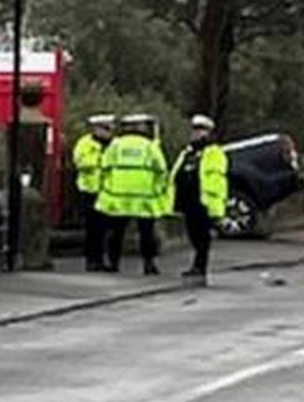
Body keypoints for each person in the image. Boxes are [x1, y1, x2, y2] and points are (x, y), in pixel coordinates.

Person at [97, 114, 168, 275]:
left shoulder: (116, 145)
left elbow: (105, 167)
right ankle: (149, 264)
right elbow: (161, 169)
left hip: (119, 197)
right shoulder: (150, 146)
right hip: (144, 198)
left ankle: (113, 264)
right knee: (146, 233)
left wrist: (108, 189)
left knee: (116, 233)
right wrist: (157, 190)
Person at [168, 115, 229, 281]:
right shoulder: (188, 152)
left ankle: (199, 267)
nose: (196, 134)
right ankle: (197, 266)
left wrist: (213, 203)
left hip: (203, 201)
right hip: (188, 201)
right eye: (194, 130)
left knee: (202, 237)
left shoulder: (214, 152)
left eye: (200, 130)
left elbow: (216, 179)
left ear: (209, 133)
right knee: (193, 234)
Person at [71, 114, 115, 271]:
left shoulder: (114, 144)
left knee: (107, 229)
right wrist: (100, 160)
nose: (108, 132)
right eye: (105, 129)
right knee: (93, 228)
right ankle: (92, 260)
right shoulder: (84, 144)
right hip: (90, 191)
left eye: (109, 129)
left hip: (110, 192)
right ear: (95, 129)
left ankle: (104, 260)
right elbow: (80, 162)